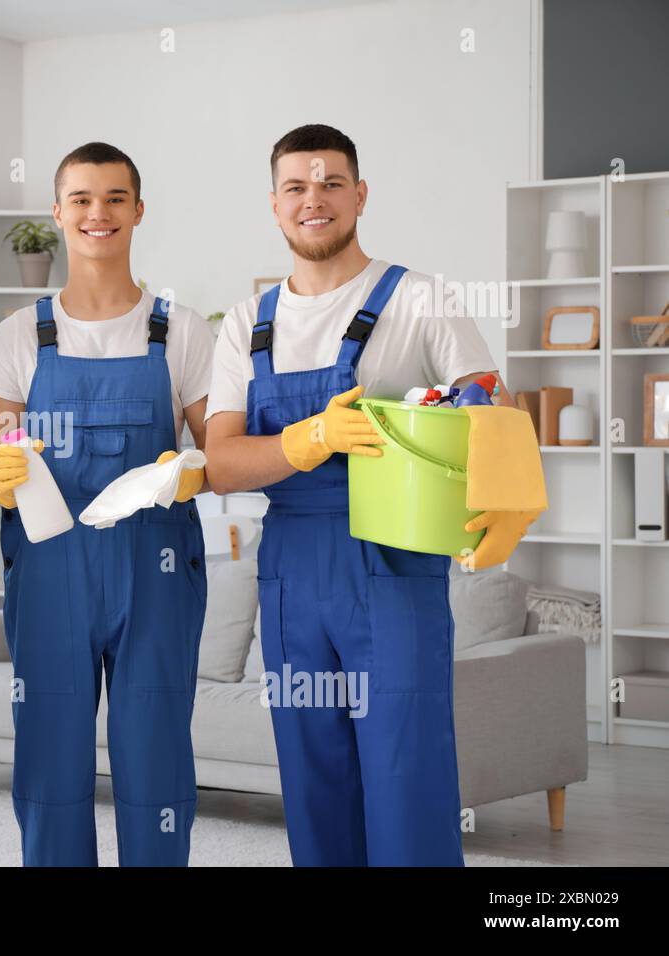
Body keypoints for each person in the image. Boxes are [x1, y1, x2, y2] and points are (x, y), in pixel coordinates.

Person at [204, 124, 535, 866]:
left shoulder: (417, 298)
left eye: (329, 184)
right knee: (314, 778)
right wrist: (308, 440)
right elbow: (221, 464)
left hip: (393, 564)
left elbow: (492, 409)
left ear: (360, 194)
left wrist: (508, 498)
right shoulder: (245, 325)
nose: (312, 200)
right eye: (296, 186)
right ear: (274, 202)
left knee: (404, 773)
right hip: (290, 572)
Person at [0, 143, 212, 866]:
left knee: (156, 751)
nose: (97, 213)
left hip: (158, 570)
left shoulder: (181, 330)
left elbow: (220, 447)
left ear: (138, 211)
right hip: (51, 569)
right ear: (57, 212)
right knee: (49, 754)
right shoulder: (19, 335)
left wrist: (191, 471)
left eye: (113, 198)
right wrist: (2, 469)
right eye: (80, 199)